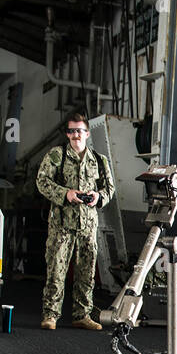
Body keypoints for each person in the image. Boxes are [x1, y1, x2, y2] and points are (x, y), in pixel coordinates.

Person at [35, 112, 115, 330]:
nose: (75, 135)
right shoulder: (56, 156)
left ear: (87, 133)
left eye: (79, 130)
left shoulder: (99, 160)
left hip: (88, 226)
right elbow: (42, 182)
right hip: (62, 225)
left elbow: (109, 189)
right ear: (67, 134)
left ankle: (82, 315)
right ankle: (50, 315)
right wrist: (66, 194)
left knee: (86, 273)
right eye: (71, 131)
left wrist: (99, 197)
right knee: (56, 272)